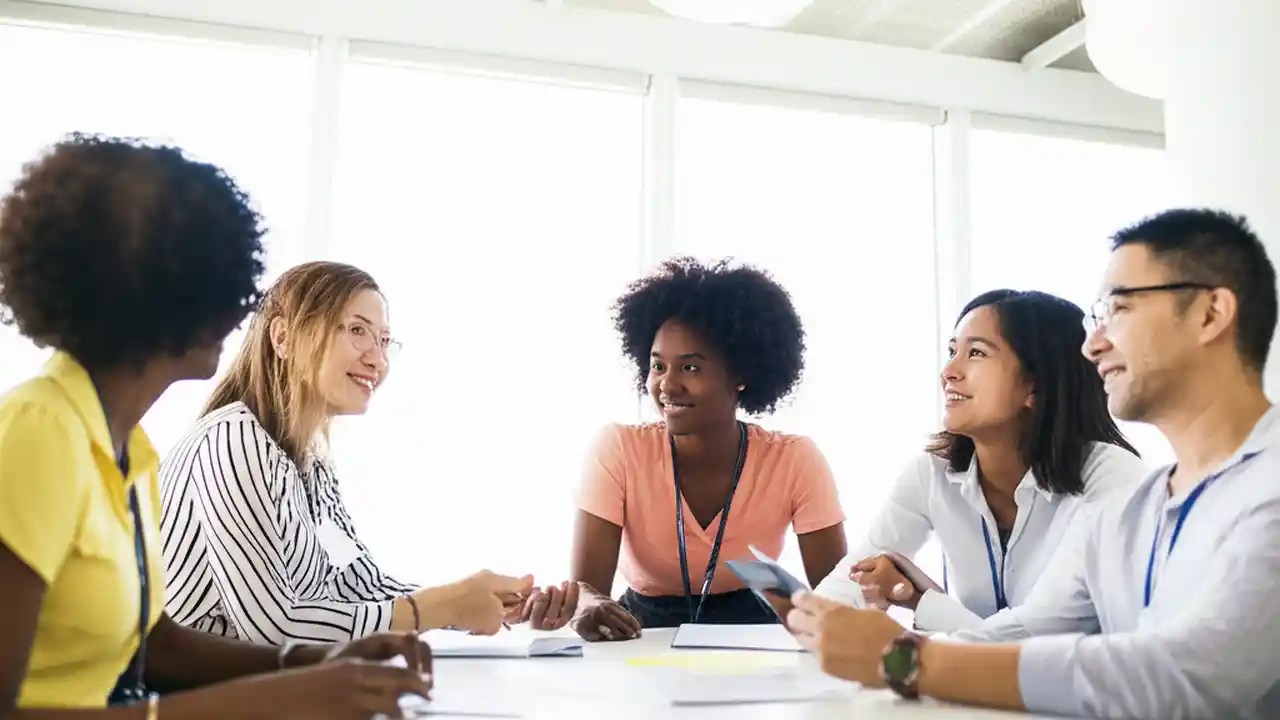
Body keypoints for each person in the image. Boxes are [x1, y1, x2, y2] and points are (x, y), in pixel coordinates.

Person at [788, 208, 1280, 718]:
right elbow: (1026, 632)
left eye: (1120, 310)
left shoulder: (1264, 488)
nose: (1093, 344)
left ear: (1210, 314)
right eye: (1097, 318)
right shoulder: (1141, 505)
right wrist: (879, 643)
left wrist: (905, 659)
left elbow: (1183, 677)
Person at [0, 134, 430, 717]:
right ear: (149, 292)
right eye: (211, 277)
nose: (236, 308)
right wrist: (277, 696)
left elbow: (154, 646)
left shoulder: (132, 449)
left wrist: (311, 663)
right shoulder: (39, 431)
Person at [160, 261, 533, 645]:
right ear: (283, 337)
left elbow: (359, 583)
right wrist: (445, 605)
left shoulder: (312, 461)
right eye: (358, 331)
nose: (378, 360)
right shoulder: (232, 439)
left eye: (384, 340)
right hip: (184, 699)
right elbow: (274, 627)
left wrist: (483, 601)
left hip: (261, 691)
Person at [521, 258, 848, 638]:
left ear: (741, 374)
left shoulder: (795, 459)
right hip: (639, 631)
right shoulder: (619, 450)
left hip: (756, 637)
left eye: (690, 368)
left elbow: (837, 596)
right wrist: (586, 610)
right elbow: (587, 591)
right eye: (658, 366)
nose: (667, 386)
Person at [813, 290, 1147, 632]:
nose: (948, 372)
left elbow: (1039, 642)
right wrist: (807, 617)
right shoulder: (932, 472)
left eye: (975, 352)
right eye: (951, 351)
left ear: (1035, 384)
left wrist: (922, 601)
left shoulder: (1112, 478)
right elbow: (845, 587)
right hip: (982, 679)